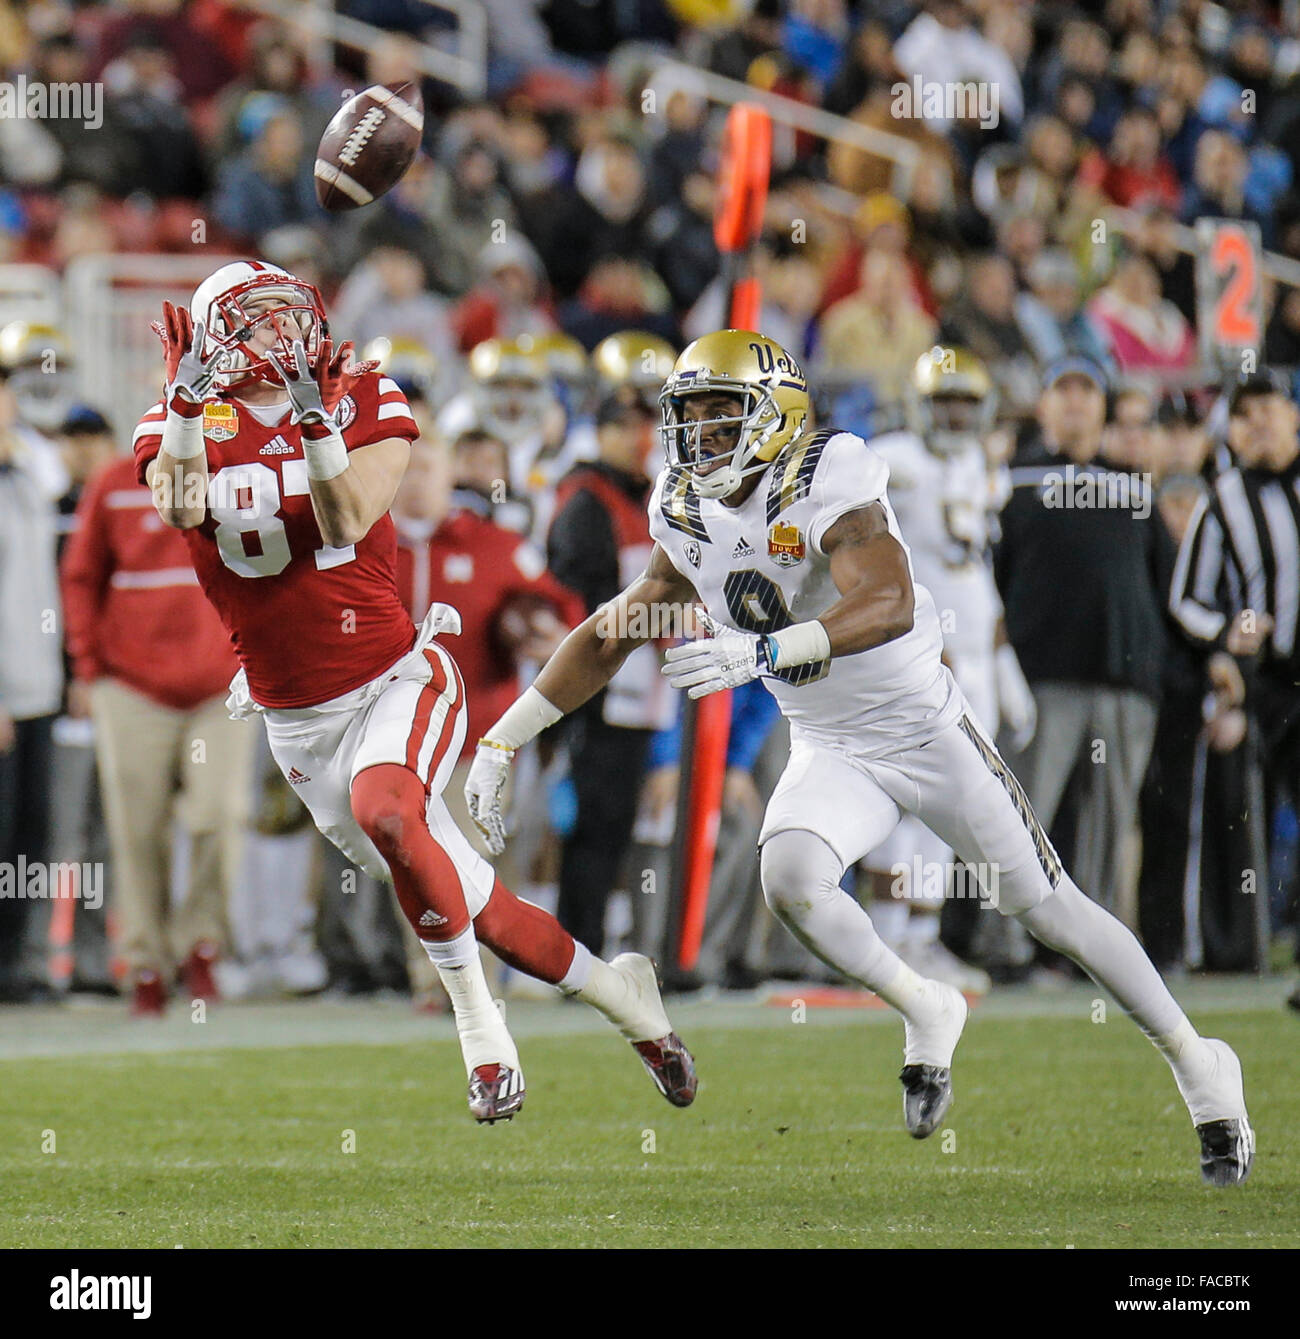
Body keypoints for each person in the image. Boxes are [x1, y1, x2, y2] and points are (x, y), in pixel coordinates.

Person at [467, 329, 1254, 1185]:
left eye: (721, 420)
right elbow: (620, 625)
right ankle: (925, 1002)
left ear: (775, 418)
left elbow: (885, 600)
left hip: (922, 728)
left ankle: (1198, 1061)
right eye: (686, 420)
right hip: (831, 741)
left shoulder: (829, 469)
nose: (699, 441)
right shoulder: (682, 508)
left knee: (1045, 903)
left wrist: (764, 653)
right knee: (790, 878)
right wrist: (505, 734)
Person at [132, 260, 695, 1122]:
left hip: (398, 675)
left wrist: (317, 421)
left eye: (290, 315)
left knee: (390, 813)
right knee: (481, 906)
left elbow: (348, 515)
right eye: (257, 321)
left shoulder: (363, 393)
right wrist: (179, 408)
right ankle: (625, 998)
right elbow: (175, 507)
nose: (282, 337)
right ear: (214, 337)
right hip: (297, 720)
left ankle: (481, 1034)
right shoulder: (185, 422)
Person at [61, 427, 252, 1014]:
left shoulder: (237, 473)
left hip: (220, 683)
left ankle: (199, 943)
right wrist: (89, 666)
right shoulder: (115, 483)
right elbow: (81, 576)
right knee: (135, 828)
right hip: (132, 686)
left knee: (220, 815)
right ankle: (145, 962)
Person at [1169, 372, 1300, 1005]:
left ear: (1291, 414)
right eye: (1243, 416)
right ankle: (1242, 948)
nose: (1257, 424)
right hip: (1268, 682)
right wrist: (1229, 629)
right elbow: (1187, 598)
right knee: (1256, 812)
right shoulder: (1223, 496)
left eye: (1267, 409)